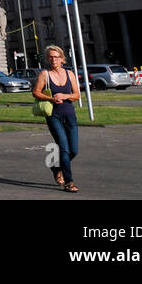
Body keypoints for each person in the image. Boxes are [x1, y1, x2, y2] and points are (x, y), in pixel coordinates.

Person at [33, 44, 81, 193]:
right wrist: (52, 99)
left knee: (73, 150)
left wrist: (65, 96)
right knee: (64, 149)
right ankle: (69, 182)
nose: (53, 60)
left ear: (62, 59)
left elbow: (77, 95)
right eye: (51, 57)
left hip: (70, 115)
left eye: (56, 57)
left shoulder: (70, 74)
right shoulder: (45, 74)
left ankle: (56, 167)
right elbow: (36, 92)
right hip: (54, 116)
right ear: (48, 59)